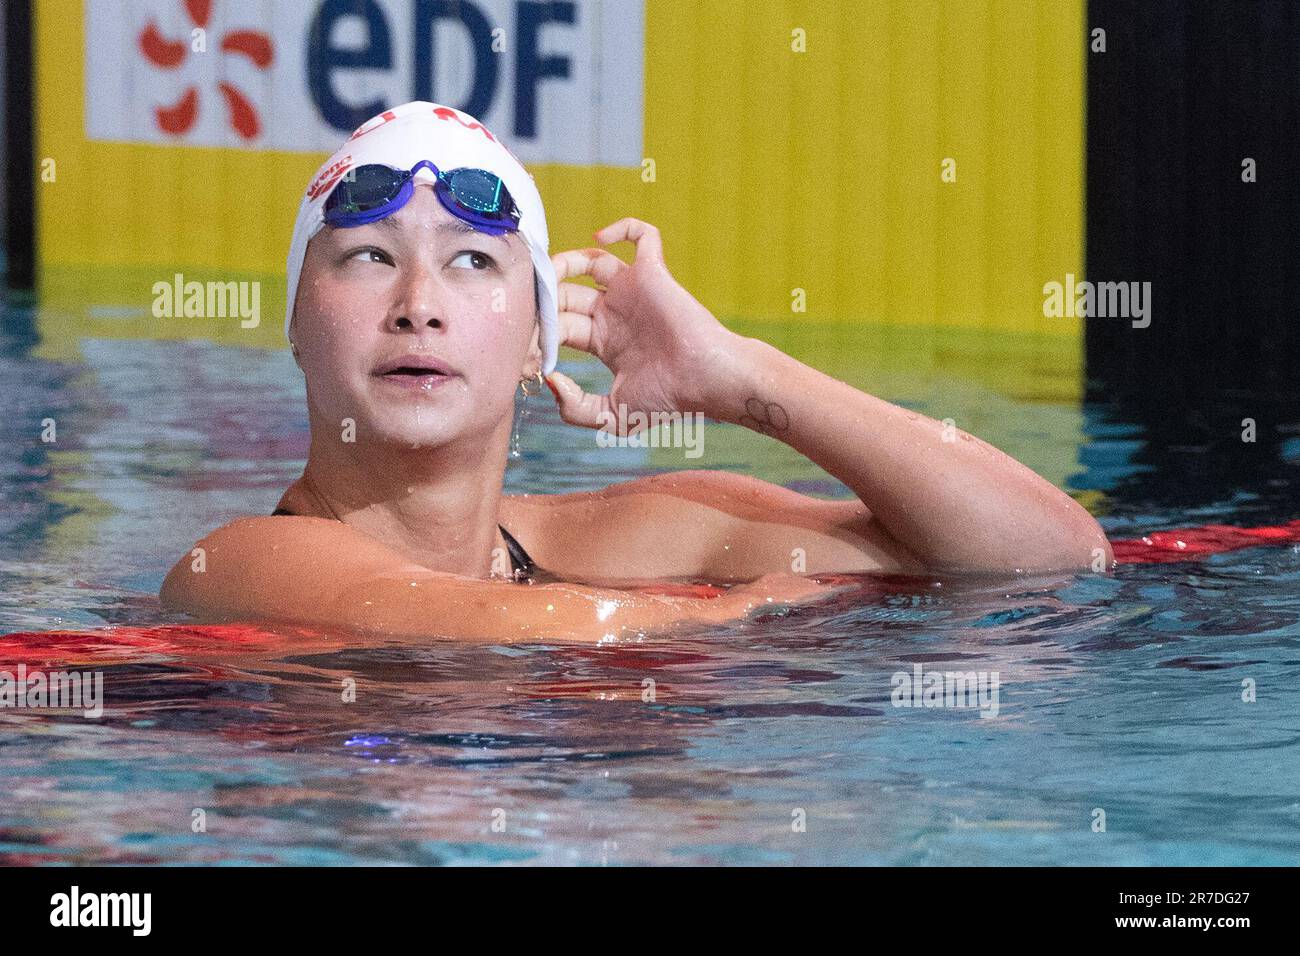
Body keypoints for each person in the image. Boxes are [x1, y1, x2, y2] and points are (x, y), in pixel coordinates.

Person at [161, 101, 1112, 644]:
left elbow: (1052, 555)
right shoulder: (242, 564)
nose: (420, 301)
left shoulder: (617, 536)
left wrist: (738, 377)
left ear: (538, 340)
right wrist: (750, 609)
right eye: (367, 256)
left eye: (473, 261)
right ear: (293, 322)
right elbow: (469, 626)